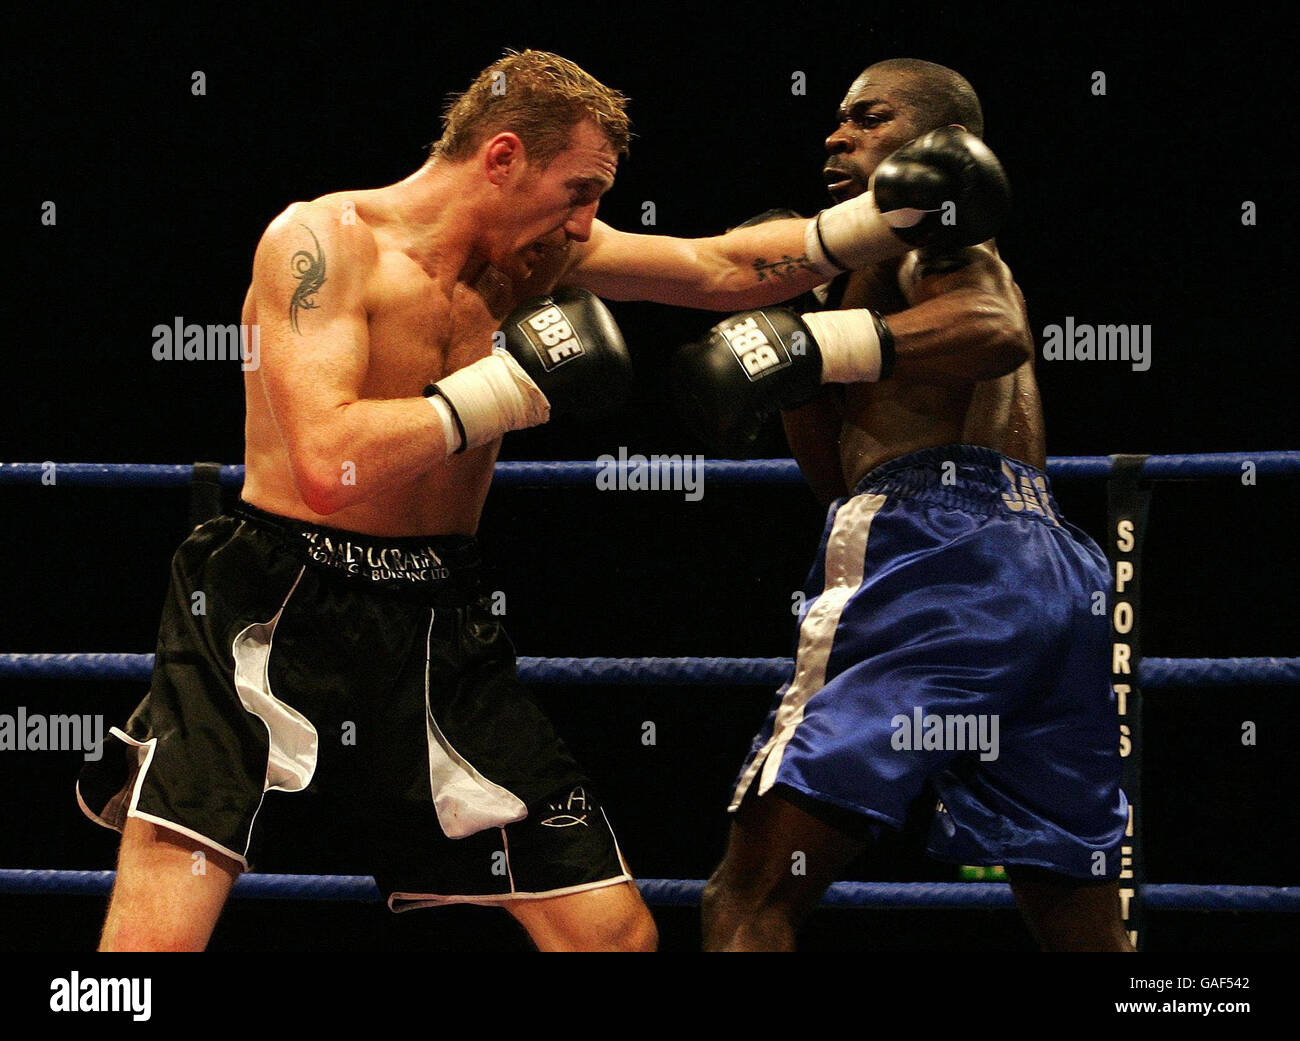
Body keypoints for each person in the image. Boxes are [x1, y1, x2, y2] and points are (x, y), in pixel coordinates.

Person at [77, 50, 1003, 952]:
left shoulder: (535, 258)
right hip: (271, 602)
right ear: (504, 156)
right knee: (161, 927)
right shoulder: (321, 243)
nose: (586, 224)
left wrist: (883, 222)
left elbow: (718, 267)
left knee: (610, 933)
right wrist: (510, 388)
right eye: (581, 190)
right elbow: (328, 461)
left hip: (438, 616)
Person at [679, 59, 1132, 951]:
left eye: (868, 116)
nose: (835, 134)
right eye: (838, 119)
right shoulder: (881, 272)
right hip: (1050, 571)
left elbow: (996, 333)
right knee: (1075, 912)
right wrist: (798, 361)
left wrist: (809, 342)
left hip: (929, 555)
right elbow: (839, 485)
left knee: (746, 896)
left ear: (939, 145)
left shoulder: (927, 233)